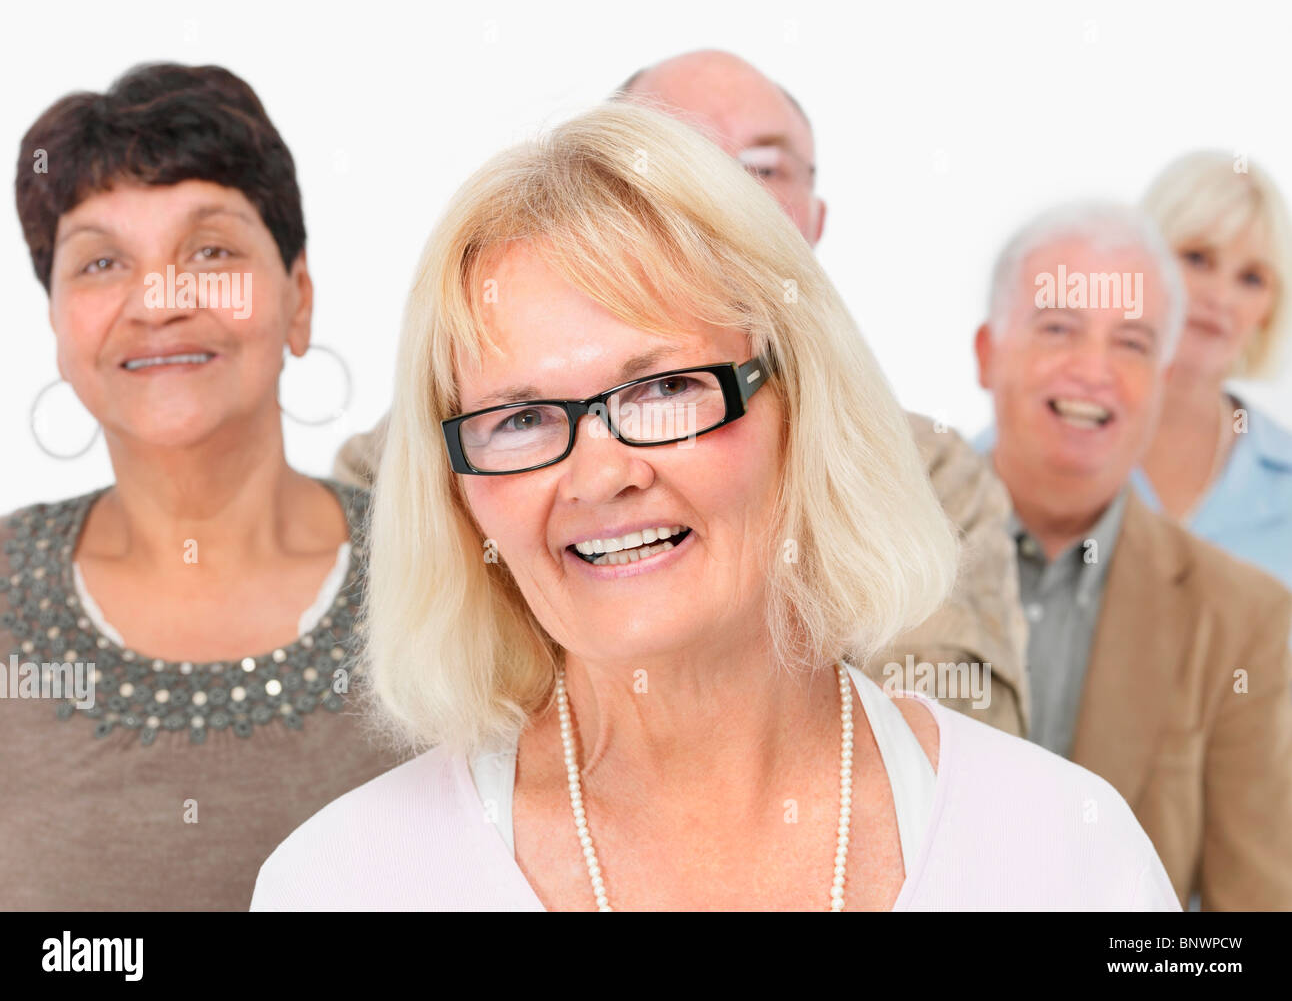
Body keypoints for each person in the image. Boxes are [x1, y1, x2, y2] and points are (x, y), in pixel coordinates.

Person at [252, 103, 1176, 911]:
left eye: (661, 390)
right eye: (524, 418)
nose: (598, 474)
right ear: (458, 497)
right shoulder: (342, 885)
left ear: (799, 404)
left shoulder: (1068, 853)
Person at [333, 50, 1030, 736]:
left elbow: (951, 768)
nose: (714, 192)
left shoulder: (930, 467)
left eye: (760, 168)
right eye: (522, 418)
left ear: (814, 220)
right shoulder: (411, 459)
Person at [0, 63, 401, 911]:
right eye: (101, 261)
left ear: (300, 299)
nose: (160, 299)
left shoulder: (452, 575)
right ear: (59, 331)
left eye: (210, 250)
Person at [973, 201, 1292, 910]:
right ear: (987, 354)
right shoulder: (860, 555)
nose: (1094, 370)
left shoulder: (1243, 618)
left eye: (1133, 343)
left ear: (1162, 379)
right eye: (1059, 328)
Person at [1135, 150, 1292, 590]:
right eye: (1198, 259)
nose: (1220, 297)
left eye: (1252, 279)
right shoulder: (1044, 440)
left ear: (1269, 310)